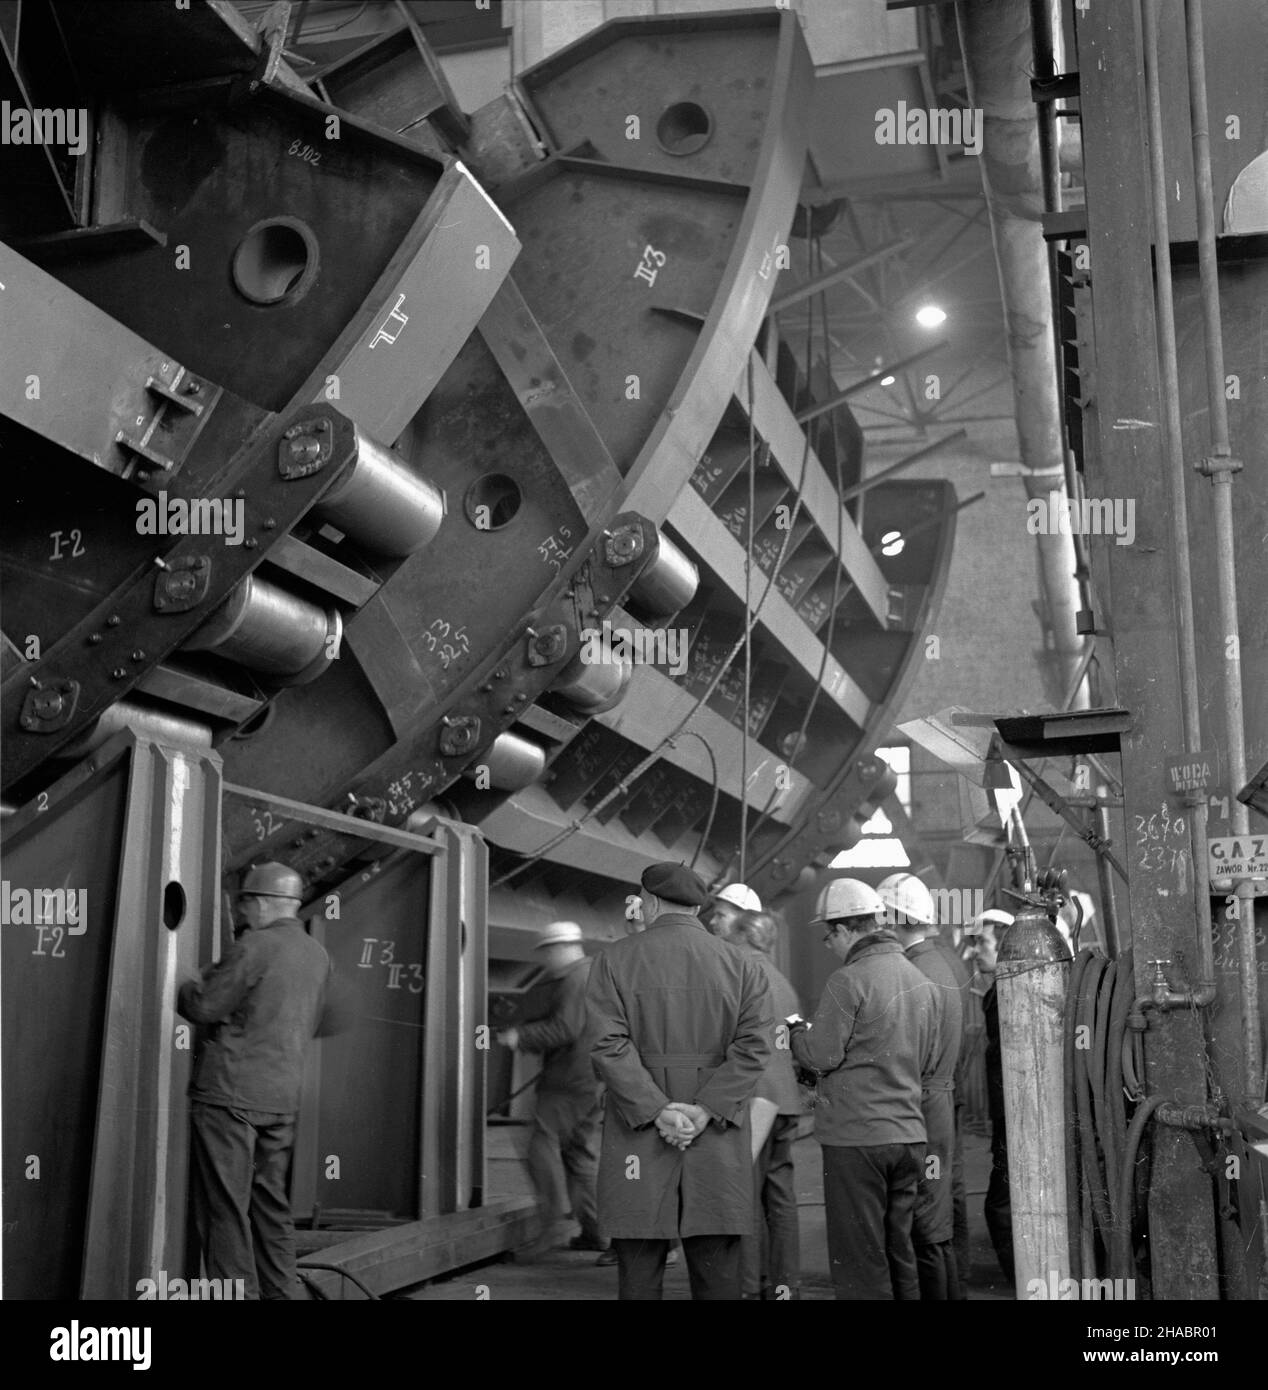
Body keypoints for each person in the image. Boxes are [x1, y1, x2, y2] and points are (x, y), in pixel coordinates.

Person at [585, 861, 773, 1299]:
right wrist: (706, 1110)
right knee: (717, 1273)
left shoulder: (613, 960)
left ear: (649, 902)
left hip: (639, 1136)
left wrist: (658, 1110)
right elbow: (754, 1047)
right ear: (698, 908)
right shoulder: (743, 966)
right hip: (715, 1137)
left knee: (639, 1269)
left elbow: (607, 1045)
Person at [177, 861, 349, 1300]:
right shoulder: (317, 954)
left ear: (265, 902)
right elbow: (320, 1020)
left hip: (230, 1096)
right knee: (271, 1206)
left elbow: (203, 1007)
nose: (243, 913)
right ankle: (283, 1294)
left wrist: (189, 985)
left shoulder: (253, 946)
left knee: (225, 1210)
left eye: (247, 903)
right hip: (281, 1098)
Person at [789, 877, 937, 1301]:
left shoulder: (848, 980)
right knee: (898, 1249)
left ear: (846, 929)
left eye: (828, 935)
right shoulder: (920, 980)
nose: (828, 944)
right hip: (908, 1136)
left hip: (857, 1140)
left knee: (859, 1258)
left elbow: (821, 1056)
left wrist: (797, 1033)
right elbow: (924, 1060)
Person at [878, 873, 963, 1300]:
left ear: (895, 917)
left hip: (923, 1103)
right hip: (939, 1100)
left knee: (923, 1219)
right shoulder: (940, 962)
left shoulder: (915, 970)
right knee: (936, 1215)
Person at [498, 922, 605, 1259]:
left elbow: (566, 1027)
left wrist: (521, 1037)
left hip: (569, 1081)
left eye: (546, 952)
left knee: (540, 1144)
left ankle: (555, 1221)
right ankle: (597, 1231)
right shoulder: (592, 974)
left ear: (558, 949)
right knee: (578, 1154)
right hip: (591, 1079)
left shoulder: (575, 979)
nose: (544, 960)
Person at [733, 908, 804, 1300]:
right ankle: (784, 1287)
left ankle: (745, 1287)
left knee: (741, 1195)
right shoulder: (783, 982)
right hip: (784, 1101)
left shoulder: (737, 974)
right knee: (780, 1200)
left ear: (742, 936)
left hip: (751, 1103)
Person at [966, 909, 1016, 1283]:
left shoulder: (1008, 995)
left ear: (1005, 947)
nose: (974, 952)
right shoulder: (999, 993)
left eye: (981, 943)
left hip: (1016, 1120)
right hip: (1009, 1119)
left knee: (1000, 1207)